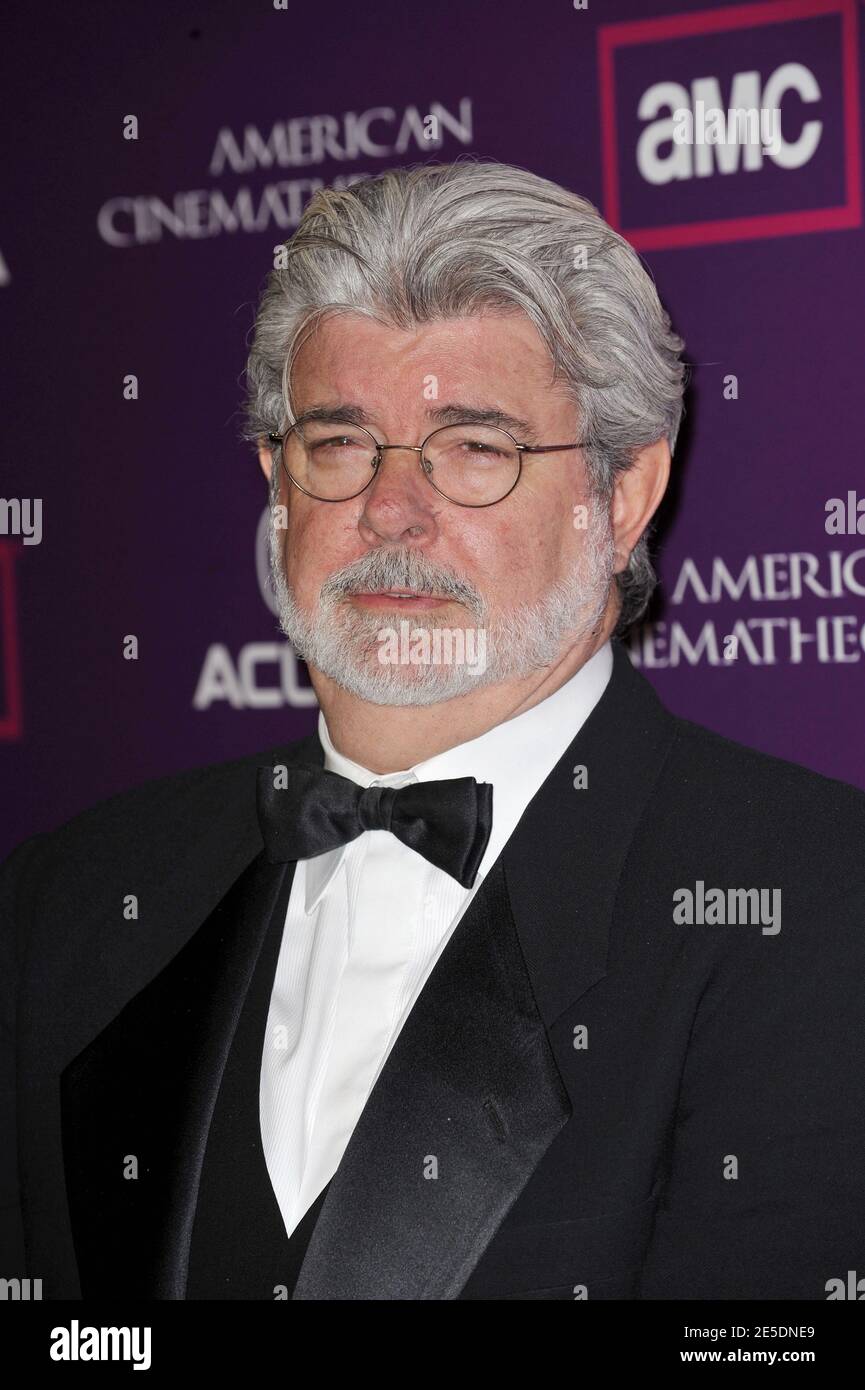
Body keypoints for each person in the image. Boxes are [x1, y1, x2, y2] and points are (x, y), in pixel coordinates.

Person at [2, 160, 864, 1301]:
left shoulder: (810, 905)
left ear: (620, 496)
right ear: (277, 480)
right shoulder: (69, 897)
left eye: (473, 447)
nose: (391, 510)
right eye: (341, 443)